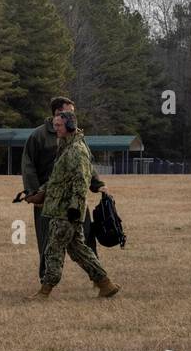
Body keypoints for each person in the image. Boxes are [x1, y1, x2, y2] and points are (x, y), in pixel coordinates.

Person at [26, 110, 121, 299]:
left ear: (70, 126)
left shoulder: (76, 150)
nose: (56, 129)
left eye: (59, 126)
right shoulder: (65, 147)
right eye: (54, 125)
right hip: (61, 208)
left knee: (53, 249)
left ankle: (45, 291)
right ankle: (106, 284)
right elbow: (58, 179)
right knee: (78, 250)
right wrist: (39, 193)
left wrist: (74, 209)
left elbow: (81, 182)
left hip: (66, 211)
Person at [21, 96, 108, 281]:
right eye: (68, 113)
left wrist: (97, 184)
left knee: (85, 237)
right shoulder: (38, 136)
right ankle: (46, 279)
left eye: (72, 114)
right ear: (57, 113)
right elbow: (28, 165)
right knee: (47, 241)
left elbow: (86, 164)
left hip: (73, 199)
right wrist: (34, 193)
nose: (72, 117)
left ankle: (99, 278)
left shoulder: (76, 137)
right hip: (48, 199)